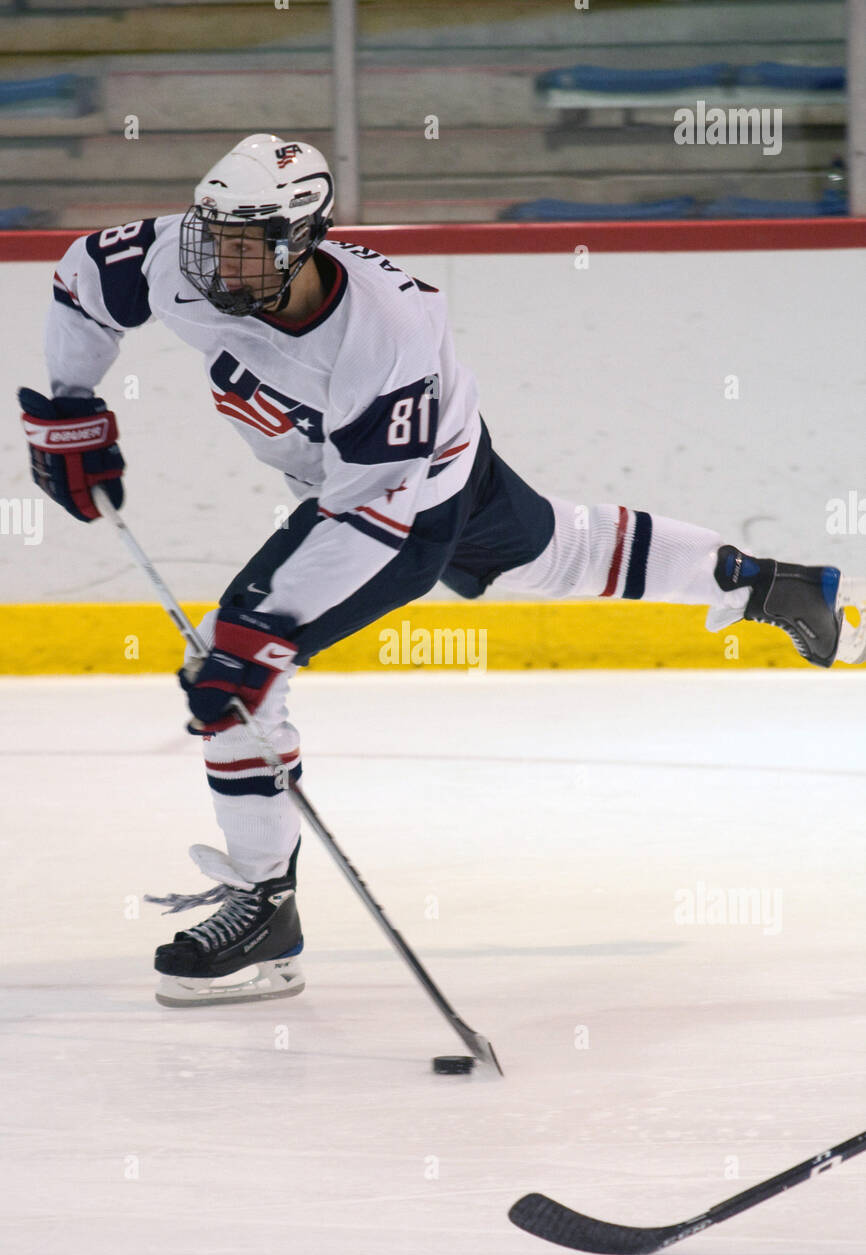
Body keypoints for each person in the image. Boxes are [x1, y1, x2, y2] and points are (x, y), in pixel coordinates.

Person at [19, 133, 862, 1008]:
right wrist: (69, 406)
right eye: (213, 233)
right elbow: (86, 279)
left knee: (236, 674)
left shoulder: (381, 338)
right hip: (432, 464)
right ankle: (771, 586)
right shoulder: (184, 259)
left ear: (306, 239)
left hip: (402, 505)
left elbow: (373, 517)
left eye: (250, 240)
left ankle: (265, 906)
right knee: (557, 550)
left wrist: (260, 635)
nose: (221, 258)